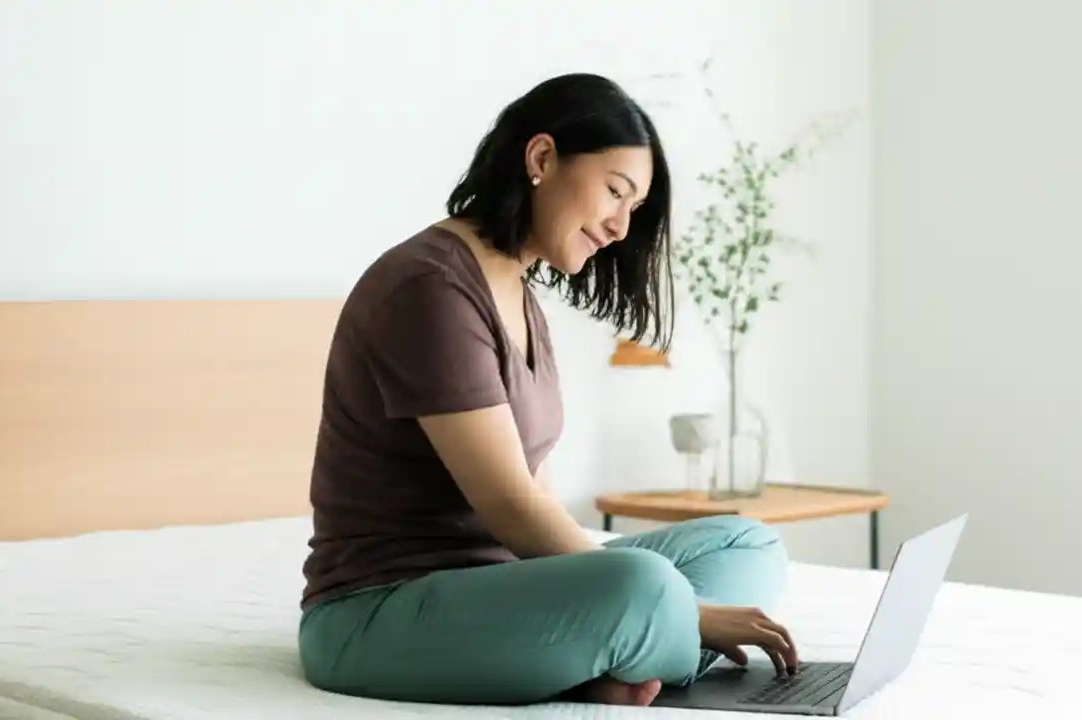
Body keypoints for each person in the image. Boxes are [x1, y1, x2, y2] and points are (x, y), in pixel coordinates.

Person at [298, 73, 797, 707]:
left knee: (746, 543)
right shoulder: (430, 288)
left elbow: (537, 495)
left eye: (634, 208)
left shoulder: (519, 293)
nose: (621, 227)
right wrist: (694, 613)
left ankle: (618, 656)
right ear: (541, 158)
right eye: (615, 192)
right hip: (376, 614)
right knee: (641, 585)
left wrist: (645, 597)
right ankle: (635, 648)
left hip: (501, 587)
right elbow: (511, 506)